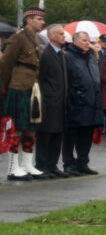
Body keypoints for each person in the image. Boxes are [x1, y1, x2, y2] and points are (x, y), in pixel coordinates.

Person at [0, 7, 47, 181]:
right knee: (17, 128)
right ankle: (13, 168)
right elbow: (5, 64)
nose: (42, 22)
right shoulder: (18, 38)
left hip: (32, 87)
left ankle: (27, 164)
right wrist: (4, 88)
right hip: (18, 87)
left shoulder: (35, 38)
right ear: (29, 20)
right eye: (39, 19)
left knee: (30, 127)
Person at [63, 31, 102, 175]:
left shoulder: (91, 57)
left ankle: (83, 163)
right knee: (71, 136)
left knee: (86, 136)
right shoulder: (68, 56)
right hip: (75, 102)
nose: (88, 43)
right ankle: (69, 164)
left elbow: (95, 78)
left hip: (91, 102)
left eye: (88, 40)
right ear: (75, 41)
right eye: (84, 40)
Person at [35, 23, 69, 179]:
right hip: (49, 100)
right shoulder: (45, 54)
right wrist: (45, 96)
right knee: (46, 134)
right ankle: (42, 165)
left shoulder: (61, 54)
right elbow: (41, 78)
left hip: (61, 101)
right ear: (52, 36)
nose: (64, 36)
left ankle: (53, 164)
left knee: (57, 134)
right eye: (61, 34)